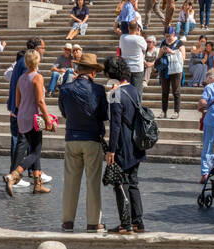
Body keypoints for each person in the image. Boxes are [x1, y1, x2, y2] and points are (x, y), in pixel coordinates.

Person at [58, 50, 109, 233]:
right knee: (92, 181)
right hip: (92, 139)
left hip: (72, 138)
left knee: (70, 182)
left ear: (79, 70)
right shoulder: (98, 90)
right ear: (93, 72)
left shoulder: (65, 89)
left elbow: (64, 112)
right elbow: (104, 115)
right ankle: (93, 222)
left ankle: (67, 221)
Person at [3, 48, 53, 196]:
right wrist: (48, 119)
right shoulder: (37, 77)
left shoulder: (21, 78)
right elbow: (40, 101)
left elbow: (18, 102)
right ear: (37, 61)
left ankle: (38, 184)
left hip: (22, 116)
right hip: (33, 117)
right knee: (36, 151)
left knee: (33, 148)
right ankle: (14, 175)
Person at [105, 55, 146, 234]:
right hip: (136, 142)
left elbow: (115, 125)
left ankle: (125, 223)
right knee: (133, 182)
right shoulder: (133, 90)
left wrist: (111, 149)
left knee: (120, 183)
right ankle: (138, 221)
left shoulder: (116, 94)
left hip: (122, 144)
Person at [118, 21, 148, 93]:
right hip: (137, 68)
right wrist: (139, 34)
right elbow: (145, 47)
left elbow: (120, 47)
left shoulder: (122, 37)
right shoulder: (139, 39)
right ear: (137, 28)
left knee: (126, 91)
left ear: (128, 28)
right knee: (137, 92)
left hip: (126, 67)